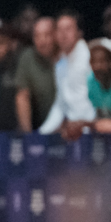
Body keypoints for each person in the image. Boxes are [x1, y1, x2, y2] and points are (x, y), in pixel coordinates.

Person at [39, 9, 95, 139]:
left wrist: (88, 126)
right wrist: (42, 133)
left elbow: (97, 100)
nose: (63, 34)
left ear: (79, 32)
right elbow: (61, 104)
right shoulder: (60, 64)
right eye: (59, 30)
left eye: (68, 29)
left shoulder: (90, 57)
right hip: (71, 132)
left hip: (91, 130)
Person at [14, 14, 58, 132]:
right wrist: (28, 135)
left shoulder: (67, 56)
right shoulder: (27, 57)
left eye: (47, 35)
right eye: (37, 36)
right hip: (40, 128)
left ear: (56, 35)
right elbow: (22, 96)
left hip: (70, 128)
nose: (42, 41)